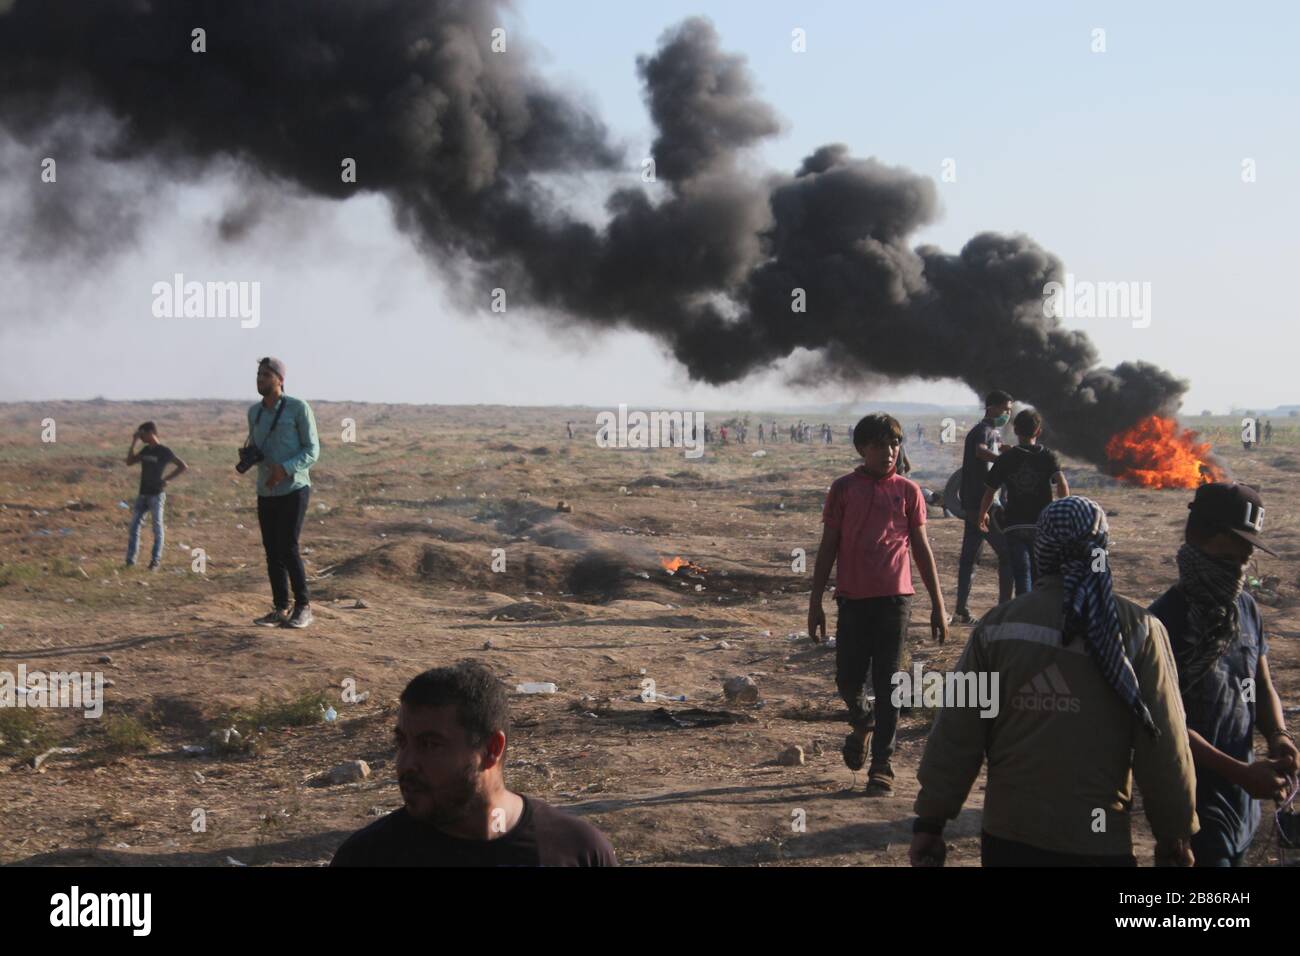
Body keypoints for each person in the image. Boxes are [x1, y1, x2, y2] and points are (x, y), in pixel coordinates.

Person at [910, 496, 1199, 867]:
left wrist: (930, 822)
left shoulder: (998, 628)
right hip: (1097, 844)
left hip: (1009, 839)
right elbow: (1164, 746)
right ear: (1102, 549)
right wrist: (1174, 834)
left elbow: (957, 734)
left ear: (1042, 548)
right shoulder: (1140, 631)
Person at [331, 662, 617, 866]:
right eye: (402, 742)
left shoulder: (578, 851)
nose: (406, 764)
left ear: (492, 749)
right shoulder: (369, 857)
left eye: (430, 745)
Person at [1148, 482, 1299, 866]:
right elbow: (1167, 726)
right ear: (1199, 537)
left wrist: (1278, 736)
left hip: (1243, 809)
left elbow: (1261, 684)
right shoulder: (1163, 622)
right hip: (1194, 811)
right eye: (1236, 544)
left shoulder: (1245, 609)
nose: (1247, 554)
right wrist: (1241, 773)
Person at [809, 414, 948, 793]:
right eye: (879, 445)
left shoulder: (908, 491)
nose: (888, 452)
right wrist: (815, 601)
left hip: (894, 600)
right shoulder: (843, 489)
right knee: (847, 678)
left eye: (894, 445)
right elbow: (827, 548)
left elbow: (921, 549)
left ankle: (882, 766)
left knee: (890, 684)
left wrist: (939, 604)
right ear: (861, 449)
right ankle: (862, 721)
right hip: (853, 600)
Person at [246, 357, 319, 629]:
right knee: (271, 550)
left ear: (280, 379)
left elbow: (312, 449)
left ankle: (304, 607)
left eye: (266, 375)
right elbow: (257, 445)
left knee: (288, 546)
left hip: (294, 487)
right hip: (266, 489)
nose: (260, 379)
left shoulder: (298, 408)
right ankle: (280, 607)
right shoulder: (254, 413)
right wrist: (250, 457)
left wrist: (285, 469)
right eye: (258, 374)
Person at [975, 409, 1068, 597]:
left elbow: (990, 491)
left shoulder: (1006, 459)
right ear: (1039, 432)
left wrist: (982, 514)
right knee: (1039, 573)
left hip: (1014, 524)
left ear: (1016, 430)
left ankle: (1023, 612)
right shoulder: (1047, 456)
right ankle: (1036, 613)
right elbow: (1062, 483)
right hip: (1041, 524)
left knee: (1021, 573)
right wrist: (1063, 509)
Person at [953, 390, 1014, 624]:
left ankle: (961, 610)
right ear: (992, 408)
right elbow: (980, 451)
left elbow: (991, 449)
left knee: (970, 558)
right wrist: (1002, 459)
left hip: (975, 504)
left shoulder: (992, 432)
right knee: (1007, 555)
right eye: (1005, 409)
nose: (1007, 414)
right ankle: (1004, 611)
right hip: (983, 506)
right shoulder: (982, 431)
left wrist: (1004, 450)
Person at [124, 422, 187, 570]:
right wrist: (133, 442)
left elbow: (182, 465)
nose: (142, 437)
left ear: (151, 432)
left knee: (157, 528)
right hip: (143, 494)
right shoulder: (145, 450)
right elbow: (129, 462)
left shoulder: (163, 451)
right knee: (134, 527)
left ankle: (155, 561)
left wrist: (167, 480)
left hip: (156, 495)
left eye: (143, 434)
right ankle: (130, 561)